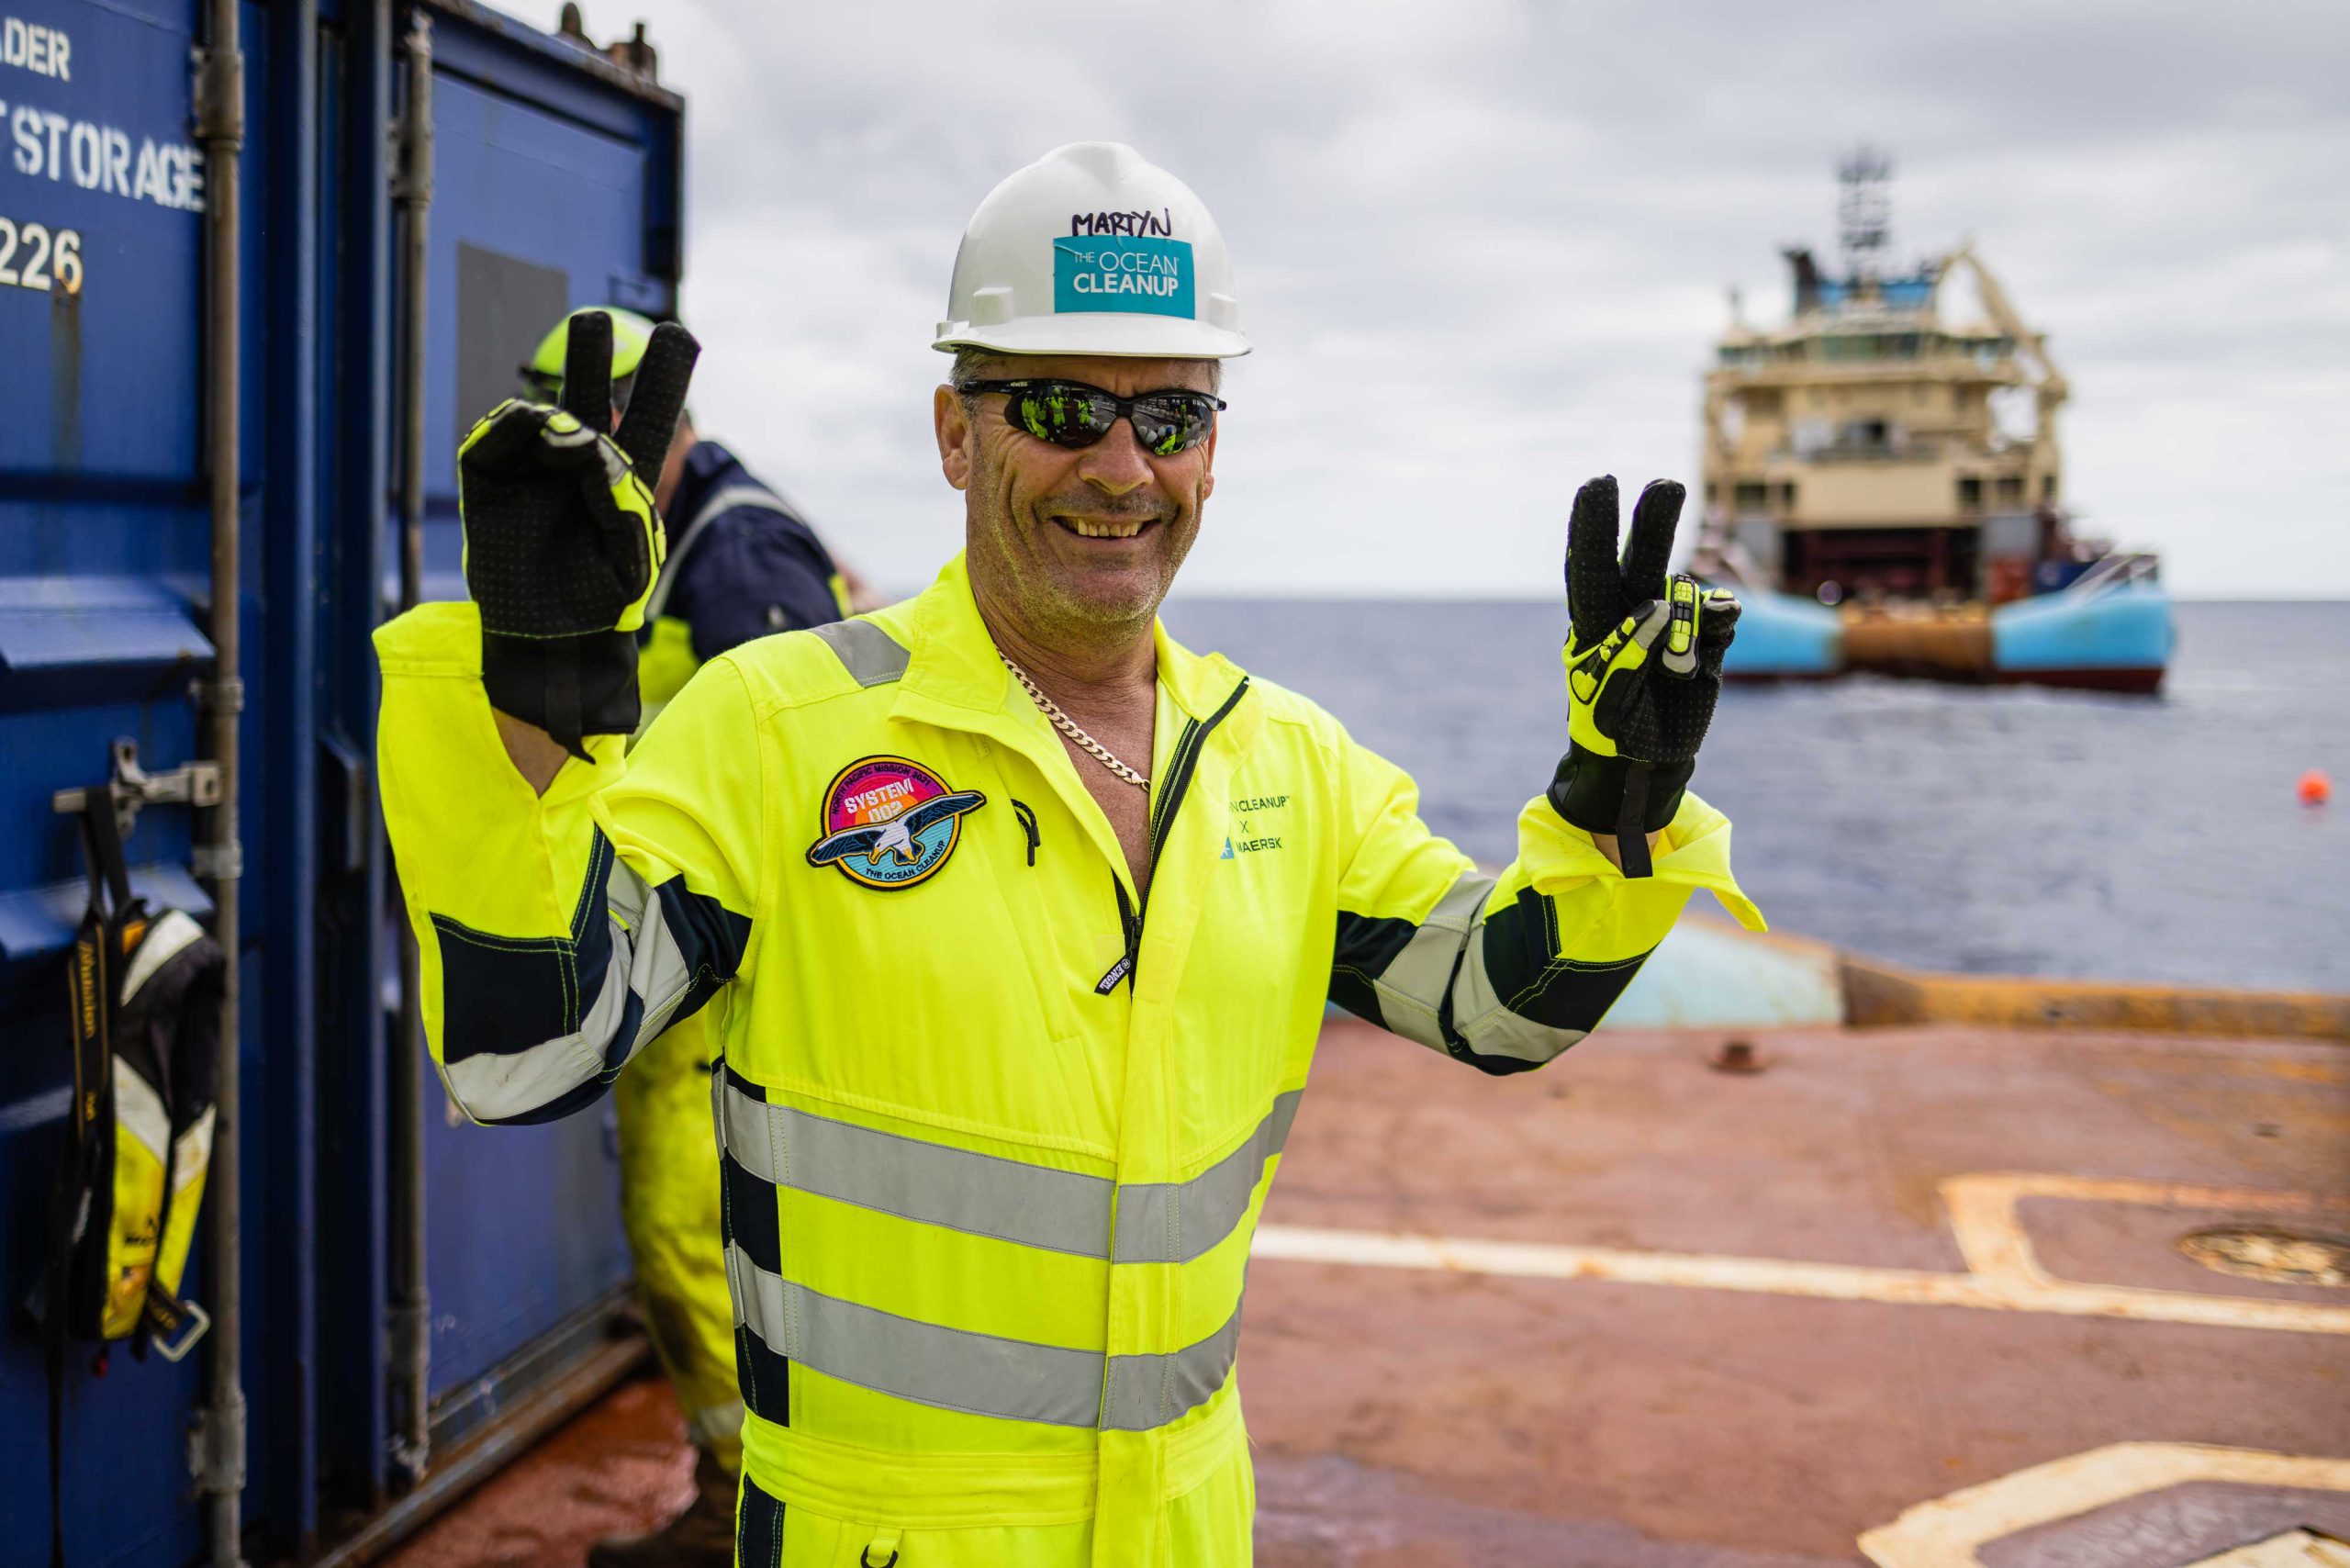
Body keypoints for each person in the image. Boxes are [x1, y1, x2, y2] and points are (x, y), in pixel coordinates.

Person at [378, 143, 1760, 1566]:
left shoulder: (1283, 761)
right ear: (955, 434)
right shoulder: (774, 729)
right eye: (1058, 407)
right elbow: (525, 1058)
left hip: (1186, 1533)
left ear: (1216, 447)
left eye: (1170, 413)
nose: (1122, 467)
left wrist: (1617, 797)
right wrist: (536, 704)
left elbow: (1502, 1006)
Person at [518, 306, 867, 1565]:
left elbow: (799, 775)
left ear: (627, 423)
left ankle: (758, 1507)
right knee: (694, 1244)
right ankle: (741, 1496)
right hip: (671, 945)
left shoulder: (737, 547)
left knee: (688, 1242)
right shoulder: (672, 538)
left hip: (721, 966)